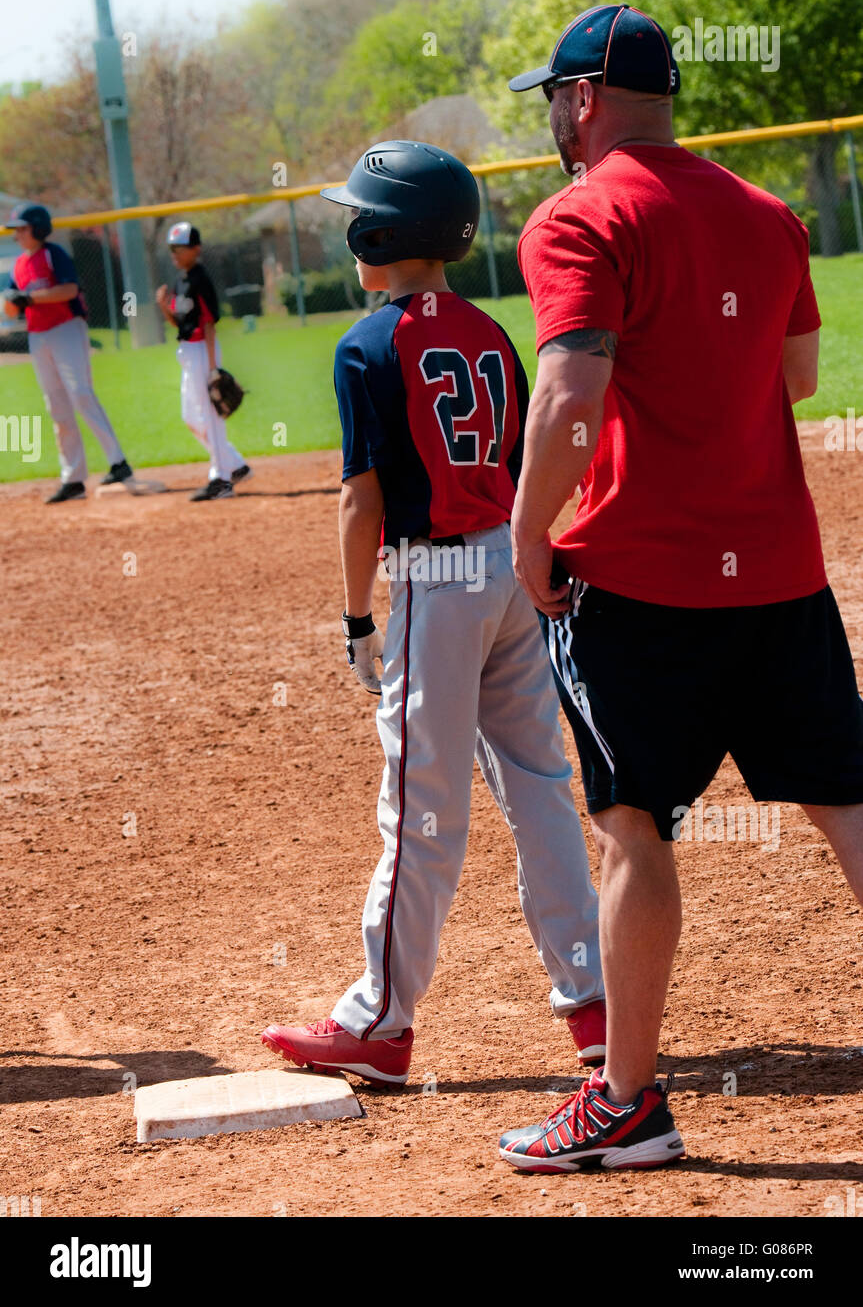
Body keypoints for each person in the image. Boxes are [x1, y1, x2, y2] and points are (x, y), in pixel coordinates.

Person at [497, 4, 863, 1172]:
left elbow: (565, 402)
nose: (550, 117)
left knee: (633, 828)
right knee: (846, 807)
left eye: (551, 95)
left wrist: (525, 532)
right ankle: (625, 1102)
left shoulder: (576, 215)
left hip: (639, 586)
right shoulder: (767, 215)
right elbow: (796, 374)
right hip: (779, 573)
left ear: (587, 96)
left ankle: (627, 1104)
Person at [260, 140, 605, 1087]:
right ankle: (596, 1005)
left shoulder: (366, 343)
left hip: (432, 582)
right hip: (504, 565)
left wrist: (354, 619)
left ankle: (378, 1024)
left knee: (420, 808)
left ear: (382, 232)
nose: (347, 229)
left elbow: (358, 504)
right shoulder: (492, 331)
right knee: (539, 785)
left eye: (356, 215)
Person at [2, 202, 133, 504]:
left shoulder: (53, 254)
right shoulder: (19, 265)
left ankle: (118, 463)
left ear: (39, 228)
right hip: (38, 337)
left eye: (23, 228)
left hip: (66, 329)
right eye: (17, 229)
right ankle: (73, 478)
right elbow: (11, 306)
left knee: (81, 394)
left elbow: (70, 290)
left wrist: (29, 297)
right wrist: (12, 301)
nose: (18, 234)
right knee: (57, 407)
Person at [155, 222, 250, 502]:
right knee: (191, 418)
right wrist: (163, 305)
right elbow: (179, 322)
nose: (174, 253)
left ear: (195, 249)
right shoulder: (181, 280)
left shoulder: (200, 279)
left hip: (202, 352)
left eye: (180, 248)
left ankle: (221, 479)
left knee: (211, 417)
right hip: (187, 350)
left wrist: (212, 369)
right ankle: (235, 465)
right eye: (172, 248)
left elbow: (209, 323)